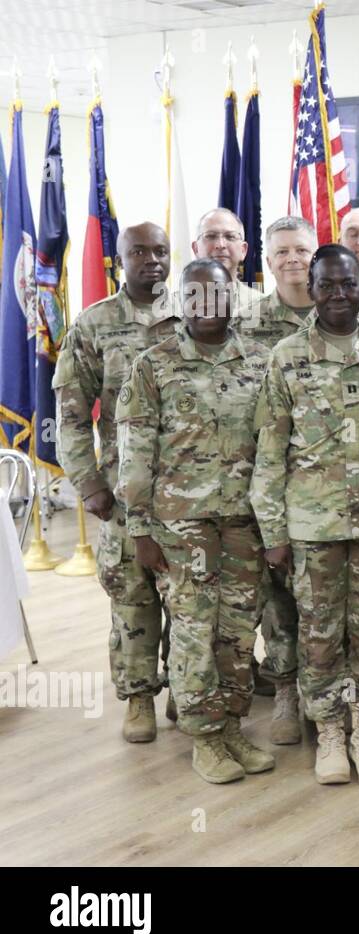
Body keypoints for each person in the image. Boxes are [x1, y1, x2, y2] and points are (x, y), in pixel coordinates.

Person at [251, 245, 359, 787]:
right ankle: (329, 736)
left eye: (349, 284)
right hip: (312, 526)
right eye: (328, 285)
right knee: (318, 634)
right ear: (311, 289)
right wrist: (273, 531)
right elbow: (270, 453)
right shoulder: (287, 357)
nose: (339, 295)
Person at [117, 258, 274, 783]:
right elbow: (134, 453)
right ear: (181, 301)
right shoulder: (153, 365)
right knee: (192, 629)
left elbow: (274, 449)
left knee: (237, 630)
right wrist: (138, 527)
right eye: (196, 294)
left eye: (219, 293)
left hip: (245, 521)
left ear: (235, 297)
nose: (208, 303)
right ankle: (204, 737)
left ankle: (232, 726)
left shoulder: (259, 359)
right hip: (181, 526)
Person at [53, 222, 180, 743]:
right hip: (124, 494)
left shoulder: (196, 312)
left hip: (189, 492)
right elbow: (71, 411)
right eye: (139, 252)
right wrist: (87, 483)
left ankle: (186, 691)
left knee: (190, 601)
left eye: (160, 251)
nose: (151, 260)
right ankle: (139, 699)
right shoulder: (95, 323)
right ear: (119, 260)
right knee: (132, 597)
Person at [235, 216, 319, 746]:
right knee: (278, 599)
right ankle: (286, 690)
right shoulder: (247, 324)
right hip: (266, 481)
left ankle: (328, 698)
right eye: (283, 251)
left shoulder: (342, 313)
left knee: (327, 602)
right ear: (267, 261)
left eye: (302, 250)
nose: (293, 259)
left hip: (327, 488)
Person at [192, 208, 260, 311]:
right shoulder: (175, 307)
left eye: (230, 237)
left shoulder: (260, 305)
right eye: (210, 236)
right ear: (196, 249)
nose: (221, 245)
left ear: (243, 250)